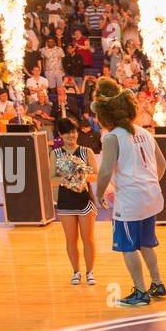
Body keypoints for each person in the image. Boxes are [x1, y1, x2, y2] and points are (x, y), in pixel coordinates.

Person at [91, 78, 166, 307]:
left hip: (130, 200)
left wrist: (100, 193)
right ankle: (157, 283)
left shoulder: (112, 137)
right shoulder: (144, 132)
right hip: (151, 196)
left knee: (128, 246)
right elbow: (162, 165)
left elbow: (104, 172)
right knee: (146, 242)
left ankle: (141, 291)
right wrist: (148, 183)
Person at [50, 118, 105, 285]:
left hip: (85, 201)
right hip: (66, 201)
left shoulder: (86, 152)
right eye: (67, 132)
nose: (71, 135)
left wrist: (81, 175)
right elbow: (52, 179)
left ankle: (90, 272)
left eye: (73, 131)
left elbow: (97, 176)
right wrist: (69, 179)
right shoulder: (56, 154)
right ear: (60, 134)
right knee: (70, 239)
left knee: (87, 238)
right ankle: (76, 271)